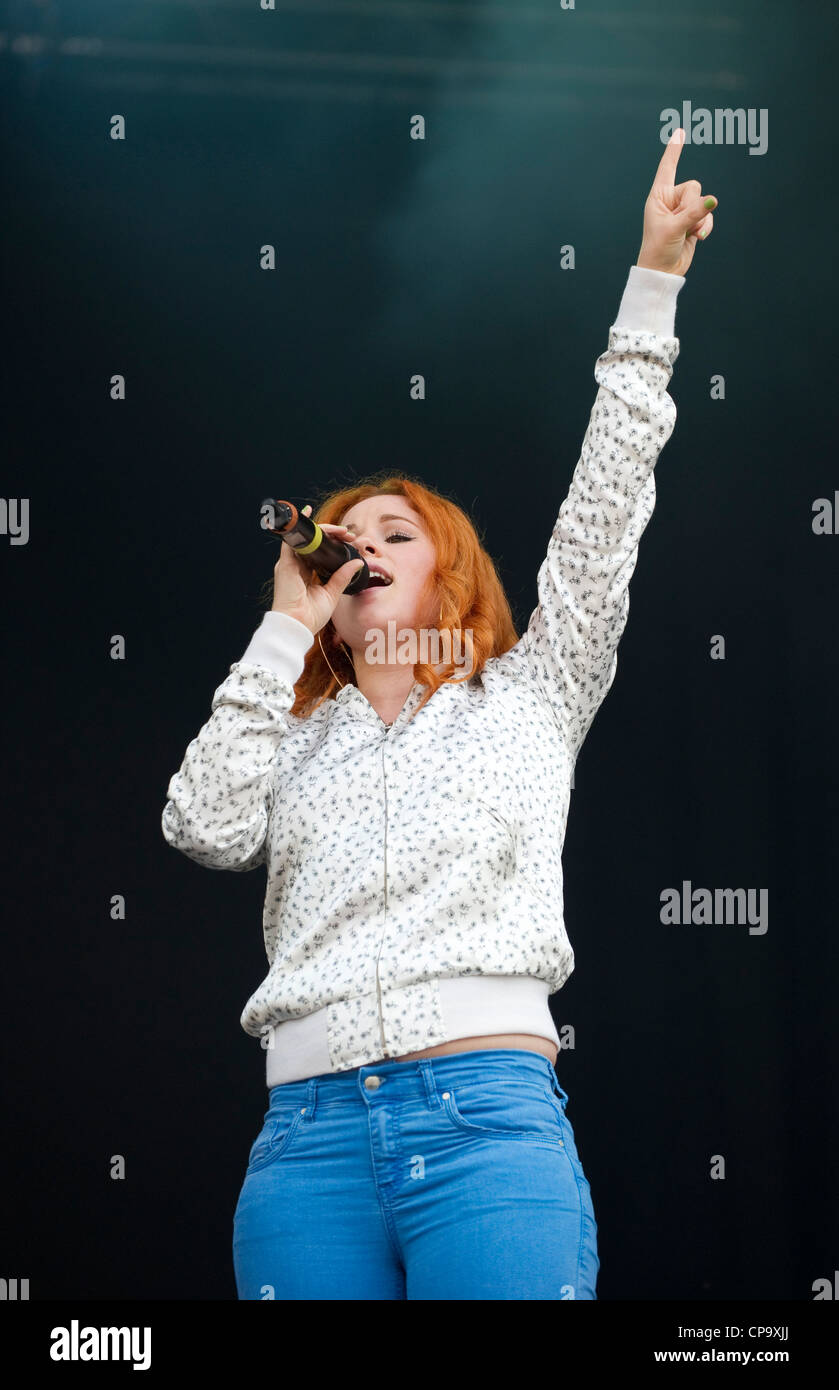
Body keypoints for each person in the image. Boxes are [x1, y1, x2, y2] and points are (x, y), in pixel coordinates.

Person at [161, 129, 717, 1300]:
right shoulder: (296, 730)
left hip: (482, 1126)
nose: (358, 546)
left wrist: (650, 284)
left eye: (392, 534)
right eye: (344, 535)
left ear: (449, 573)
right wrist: (281, 629)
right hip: (304, 1142)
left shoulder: (531, 690)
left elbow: (604, 507)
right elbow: (202, 826)